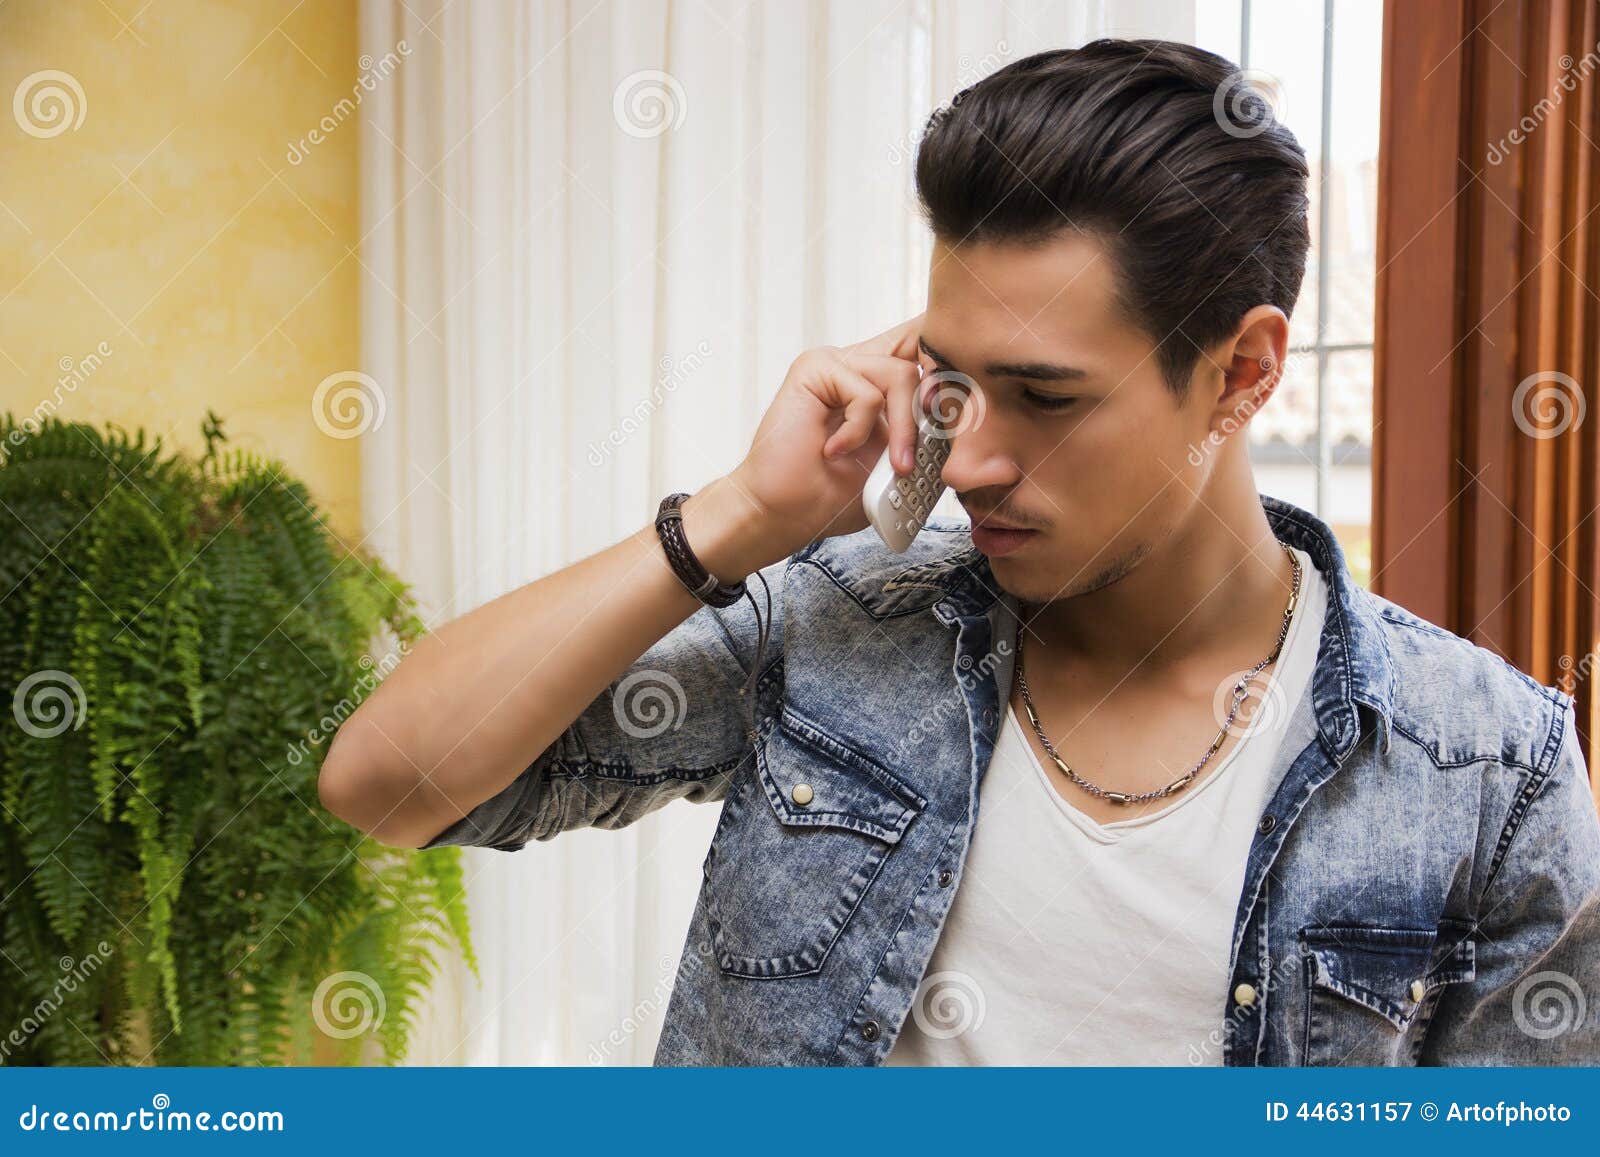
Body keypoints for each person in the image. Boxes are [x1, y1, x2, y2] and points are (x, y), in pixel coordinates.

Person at [318, 38, 1600, 1066]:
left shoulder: (1490, 768)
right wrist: (736, 520)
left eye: (1044, 395)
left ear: (1244, 371)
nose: (971, 459)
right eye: (949, 381)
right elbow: (388, 782)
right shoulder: (833, 624)